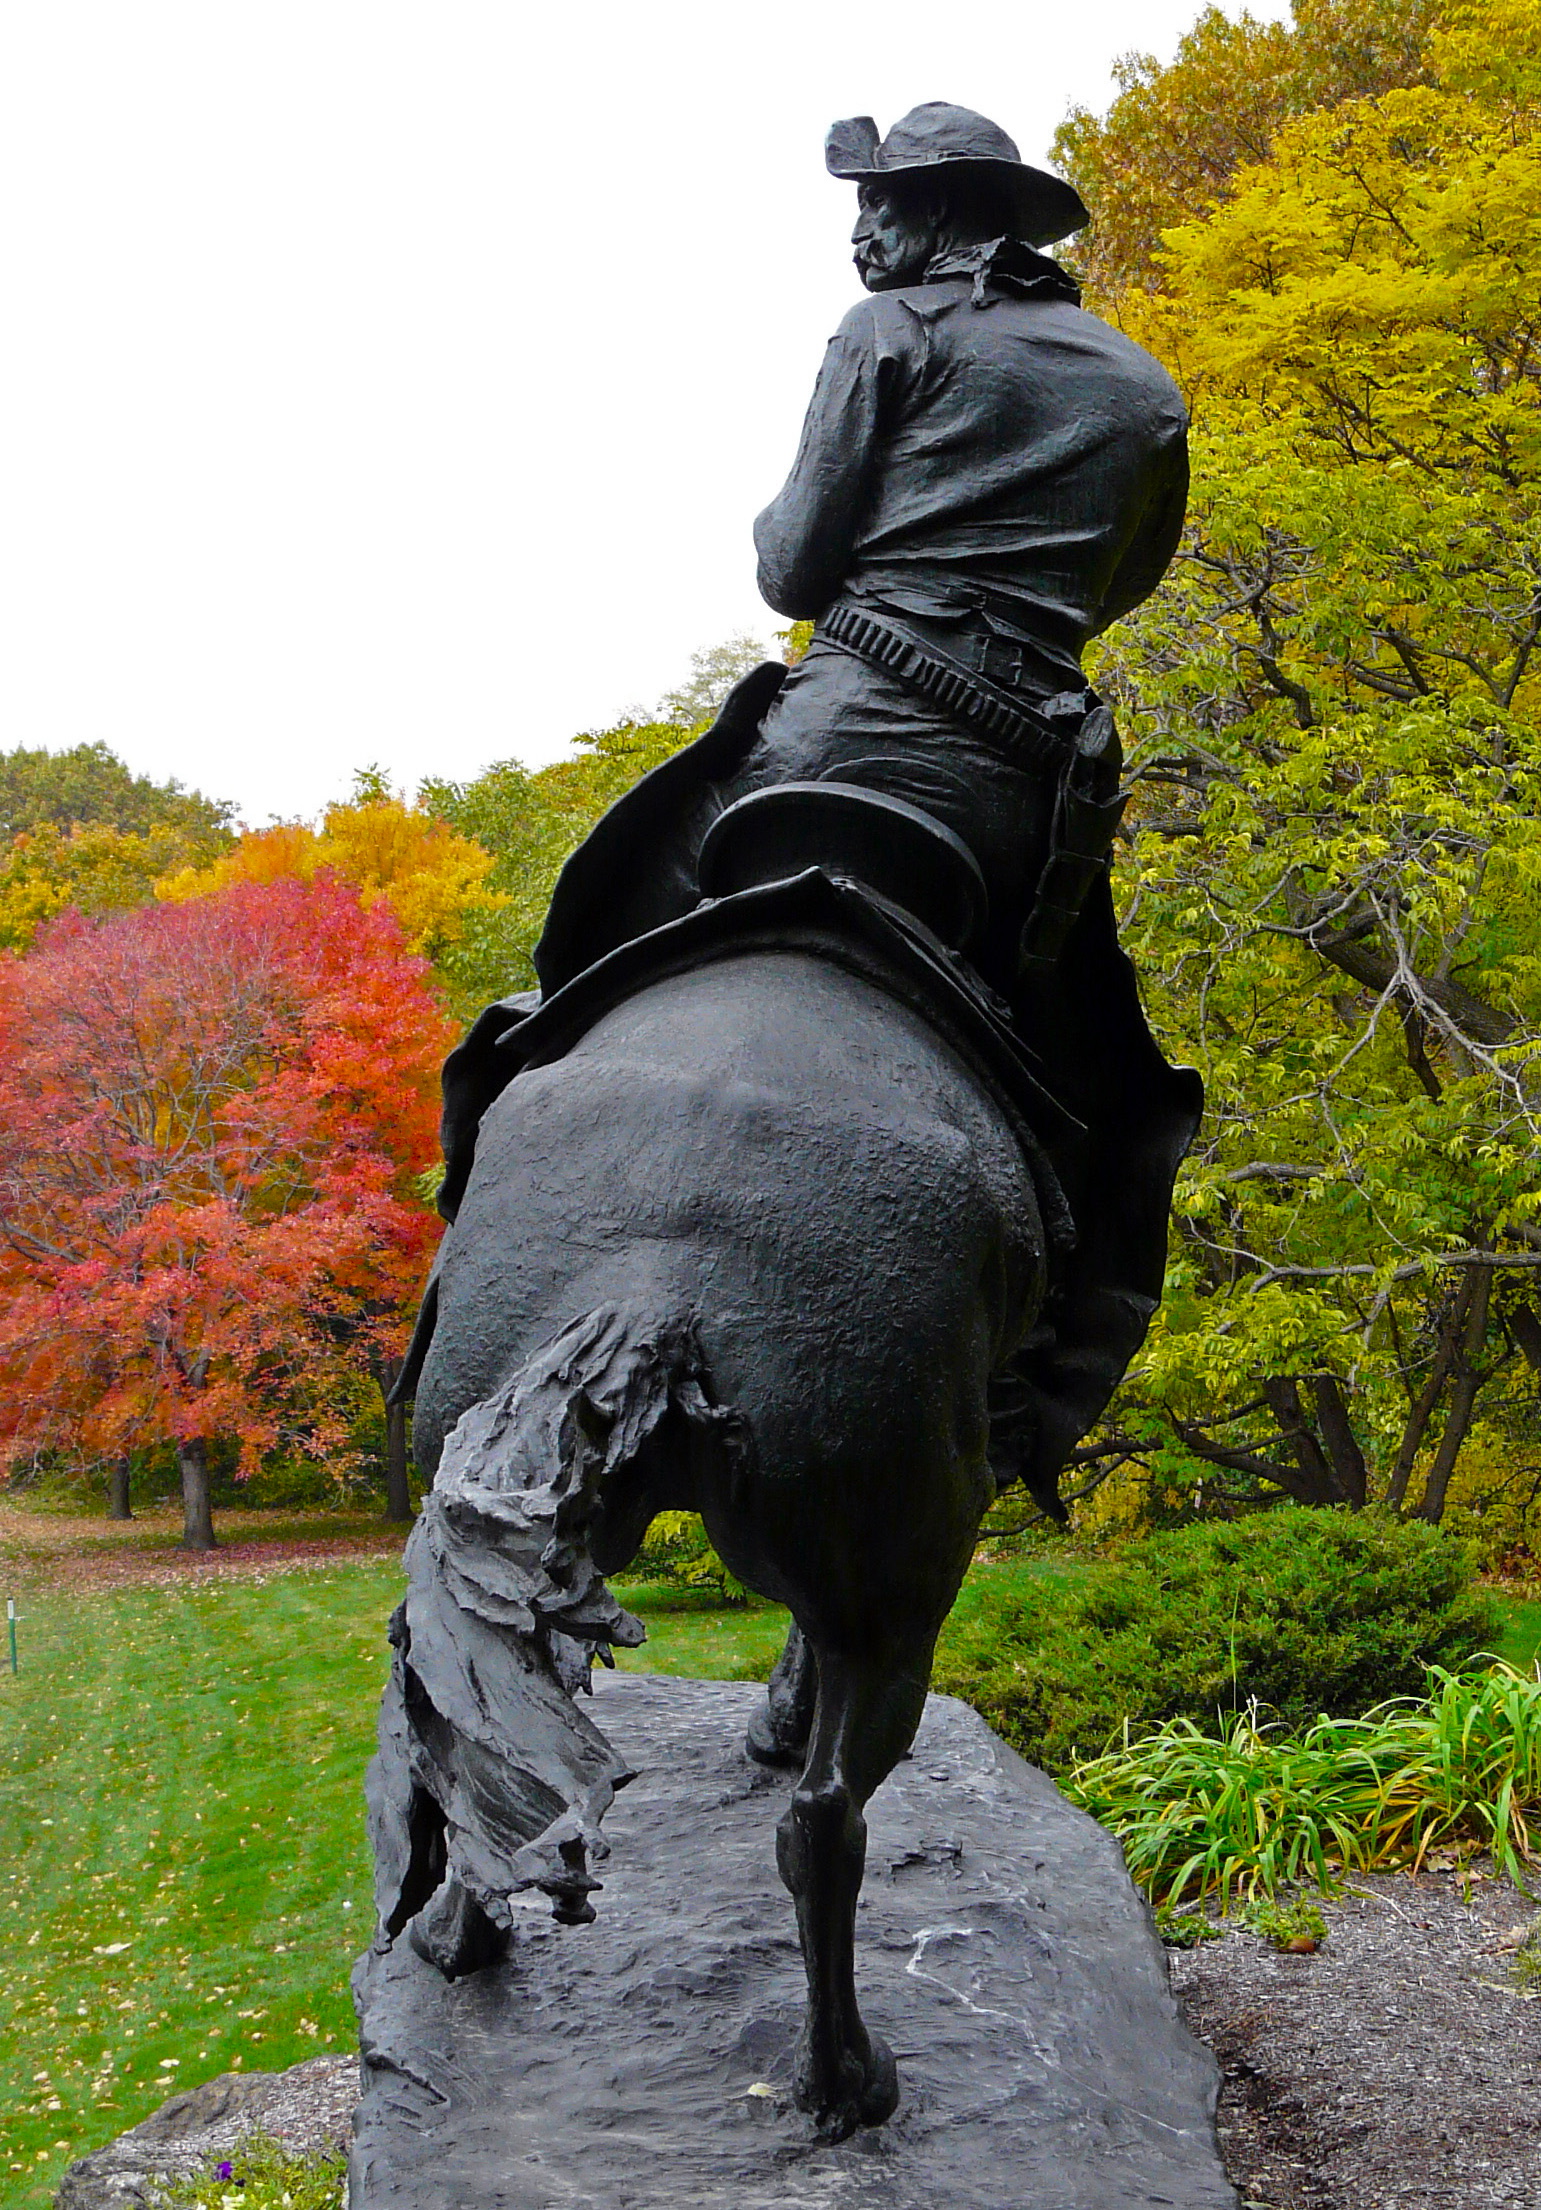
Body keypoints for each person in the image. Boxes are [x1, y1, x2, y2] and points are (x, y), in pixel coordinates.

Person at [422, 105, 1203, 1511]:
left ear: (956, 212)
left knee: (585, 946)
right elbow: (1120, 583)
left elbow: (791, 569)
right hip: (1021, 802)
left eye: (882, 199)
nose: (861, 227)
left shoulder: (887, 332)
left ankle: (474, 1226)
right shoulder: (1142, 392)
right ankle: (1033, 1387)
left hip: (837, 741)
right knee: (1104, 1089)